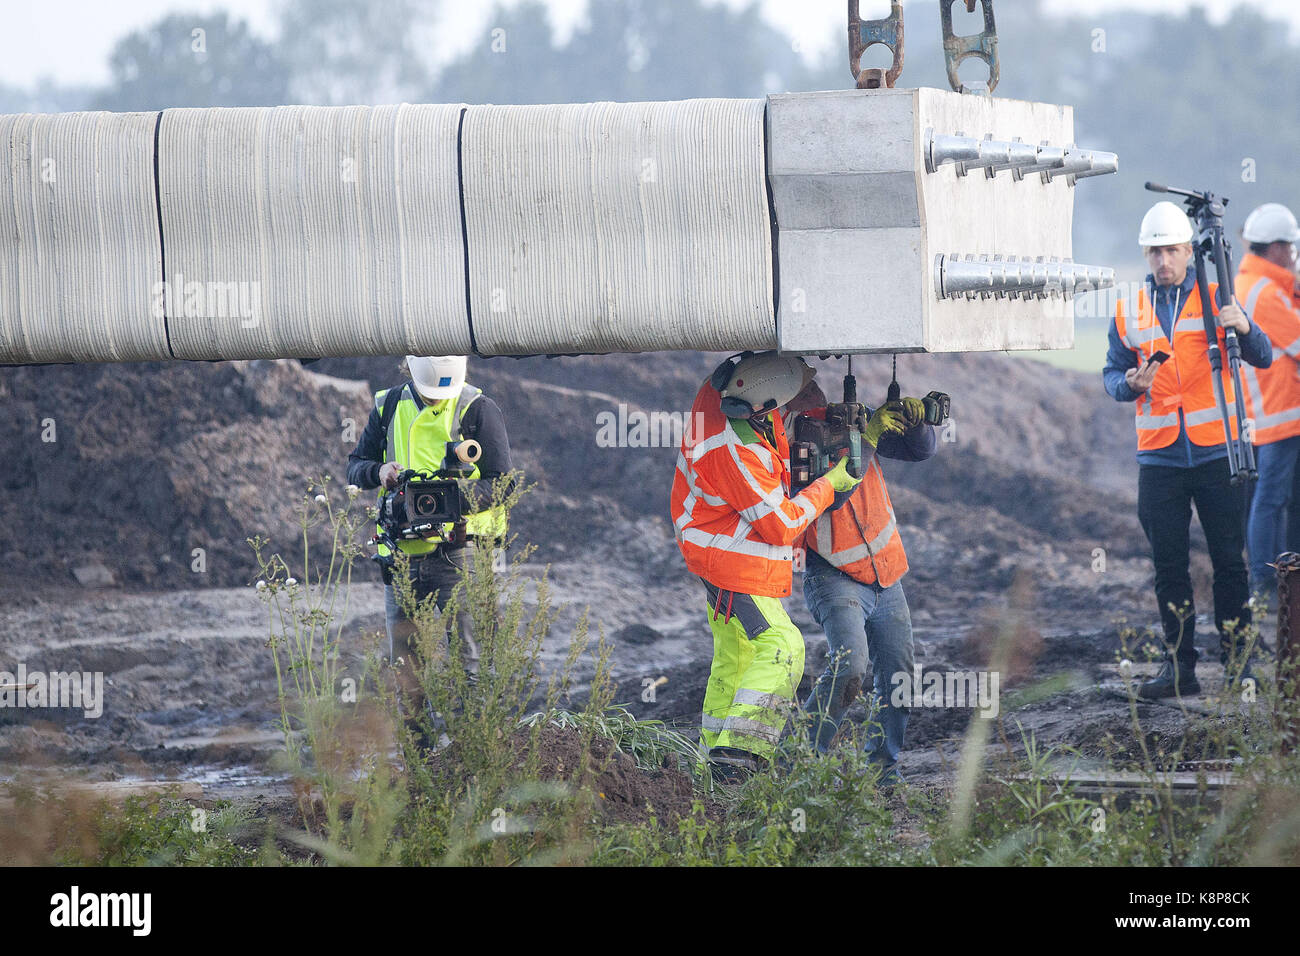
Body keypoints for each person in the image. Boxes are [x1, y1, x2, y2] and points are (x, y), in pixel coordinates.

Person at [1102, 201, 1272, 698]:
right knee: (1169, 569)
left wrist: (1241, 324)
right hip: (1159, 459)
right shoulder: (1129, 308)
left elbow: (1260, 355)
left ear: (1187, 250)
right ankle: (1181, 671)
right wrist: (1129, 384)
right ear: (1146, 254)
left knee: (1230, 564)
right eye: (1154, 251)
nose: (1162, 260)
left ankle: (1240, 665)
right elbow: (1112, 373)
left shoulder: (1220, 296)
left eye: (1171, 250)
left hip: (1218, 453)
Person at [669, 350, 861, 780]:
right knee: (782, 647)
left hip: (713, 549)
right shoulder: (736, 452)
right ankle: (738, 761)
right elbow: (782, 525)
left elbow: (773, 395)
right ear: (765, 406)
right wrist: (829, 486)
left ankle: (711, 766)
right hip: (732, 562)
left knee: (736, 659)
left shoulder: (728, 391)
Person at [786, 379, 936, 784]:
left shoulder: (851, 421)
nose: (815, 386)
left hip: (886, 575)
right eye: (802, 383)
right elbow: (831, 494)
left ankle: (881, 775)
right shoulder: (790, 443)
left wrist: (916, 423)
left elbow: (919, 451)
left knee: (899, 676)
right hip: (834, 576)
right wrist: (867, 438)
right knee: (850, 667)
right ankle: (795, 768)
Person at [347, 355, 512, 707]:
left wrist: (448, 501)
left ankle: (473, 753)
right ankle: (419, 761)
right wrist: (378, 472)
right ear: (410, 372)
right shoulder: (389, 405)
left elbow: (503, 484)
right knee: (406, 672)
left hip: (460, 552)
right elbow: (355, 467)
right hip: (403, 557)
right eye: (429, 394)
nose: (437, 400)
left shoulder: (477, 409)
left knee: (474, 666)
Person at [1236, 203, 1300, 605]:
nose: (1294, 254)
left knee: (1276, 501)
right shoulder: (1264, 293)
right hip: (1277, 413)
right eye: (1291, 248)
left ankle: (1278, 583)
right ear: (1276, 248)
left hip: (1275, 412)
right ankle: (1265, 588)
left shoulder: (1259, 284)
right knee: (1270, 502)